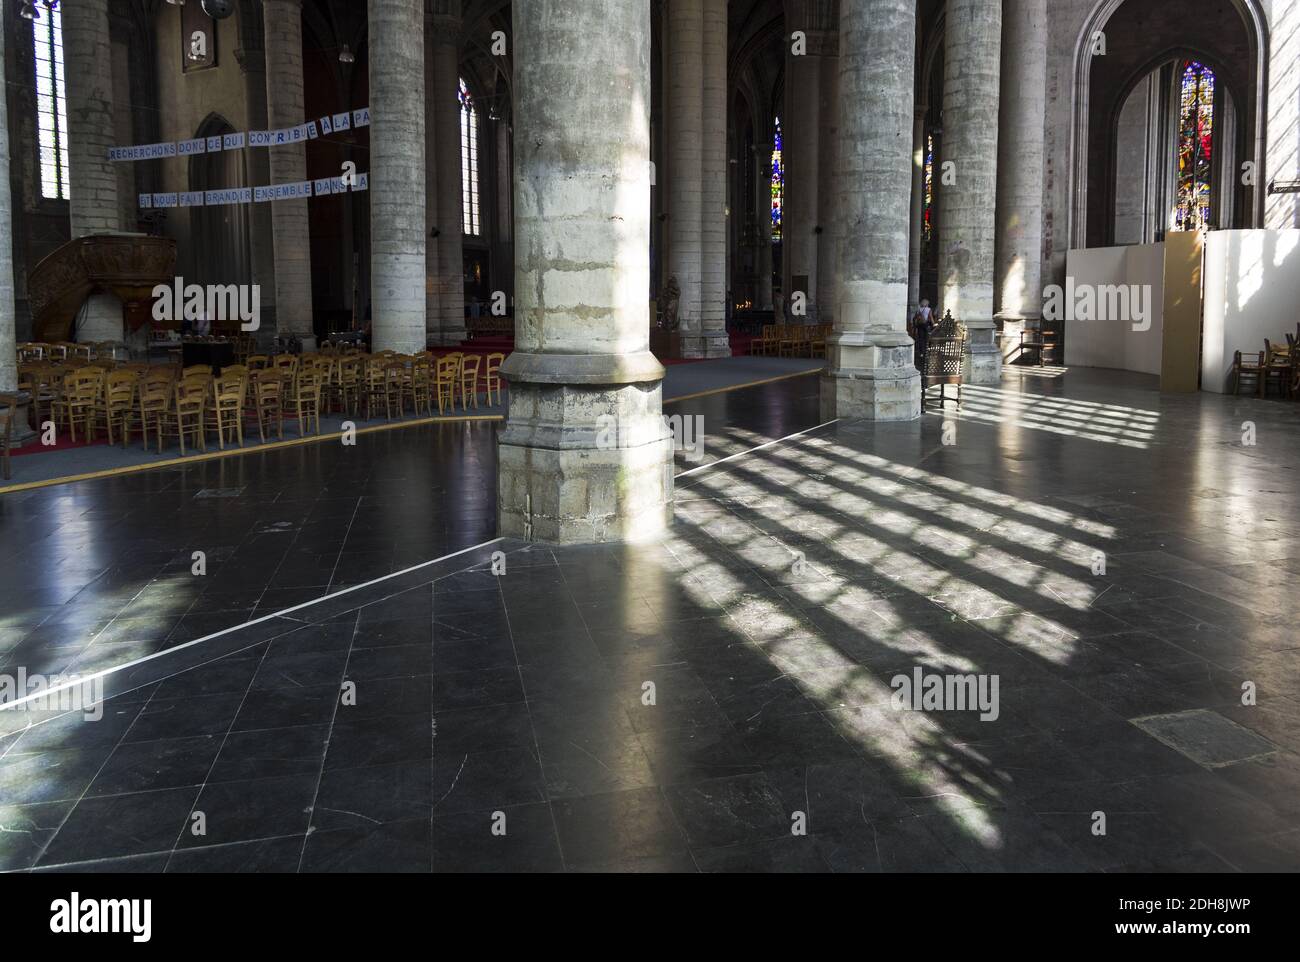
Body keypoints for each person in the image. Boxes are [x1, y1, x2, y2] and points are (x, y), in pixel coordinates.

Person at [910, 299, 933, 369]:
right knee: (926, 338)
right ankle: (926, 351)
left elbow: (916, 317)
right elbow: (930, 317)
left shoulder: (919, 309)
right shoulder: (928, 309)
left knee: (920, 338)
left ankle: (921, 352)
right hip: (925, 325)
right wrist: (934, 324)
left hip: (920, 325)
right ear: (927, 303)